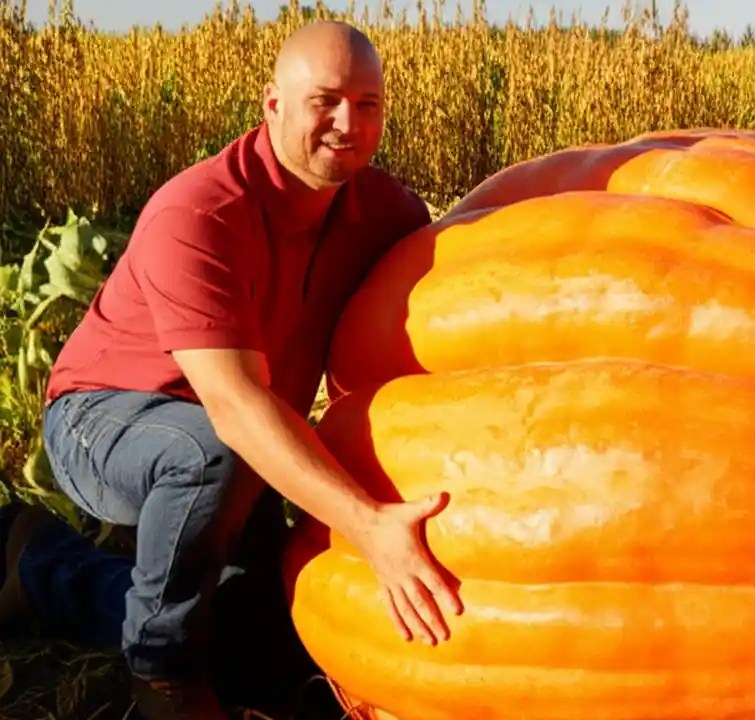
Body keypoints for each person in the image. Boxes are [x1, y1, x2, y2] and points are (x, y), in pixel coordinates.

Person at [0, 20, 463, 720]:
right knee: (206, 461)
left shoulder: (386, 212)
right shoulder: (199, 215)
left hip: (242, 448)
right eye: (326, 100)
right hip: (105, 419)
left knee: (263, 654)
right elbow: (235, 407)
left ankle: (36, 565)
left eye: (368, 104)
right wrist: (367, 525)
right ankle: (161, 672)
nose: (348, 123)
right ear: (271, 102)